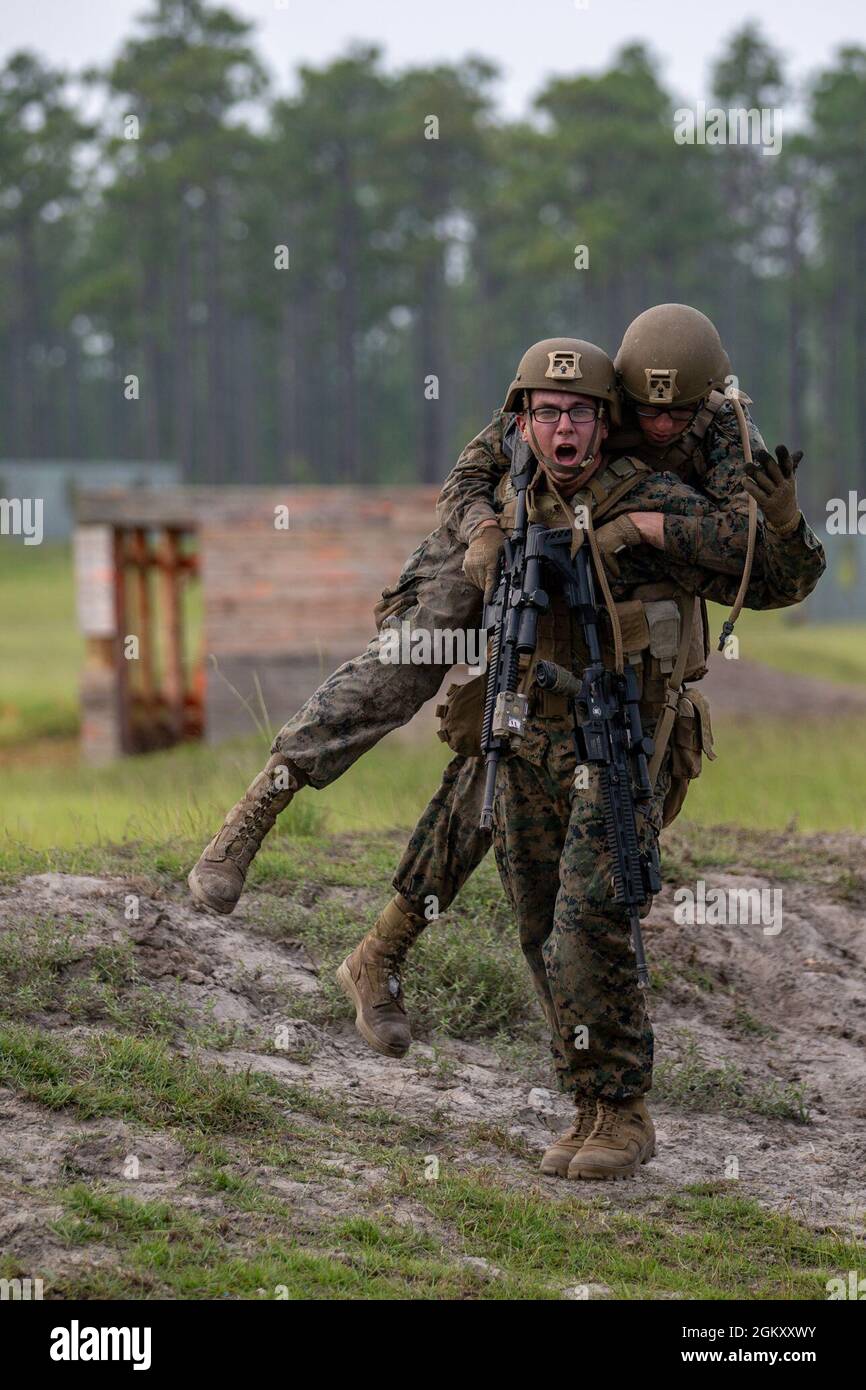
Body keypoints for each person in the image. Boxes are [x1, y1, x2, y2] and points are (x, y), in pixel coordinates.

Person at [337, 328, 825, 1180]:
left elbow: (769, 573)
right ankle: (587, 1106)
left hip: (622, 730)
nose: (566, 430)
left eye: (582, 415)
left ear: (609, 420)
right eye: (549, 414)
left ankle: (625, 1113)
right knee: (537, 927)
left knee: (589, 920)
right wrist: (485, 545)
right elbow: (461, 495)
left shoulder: (664, 488)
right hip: (528, 721)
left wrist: (751, 523)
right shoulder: (517, 475)